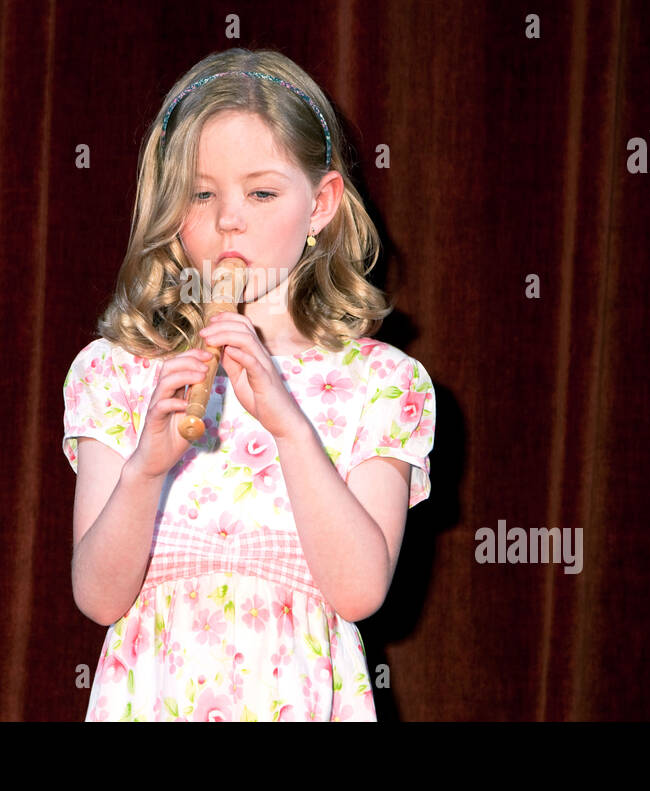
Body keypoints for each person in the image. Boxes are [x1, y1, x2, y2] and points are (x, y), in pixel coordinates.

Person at [60, 47, 436, 721]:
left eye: (261, 192)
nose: (230, 218)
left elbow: (358, 593)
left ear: (321, 204)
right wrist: (144, 470)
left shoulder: (382, 383)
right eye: (202, 194)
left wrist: (292, 428)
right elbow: (98, 597)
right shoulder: (116, 371)